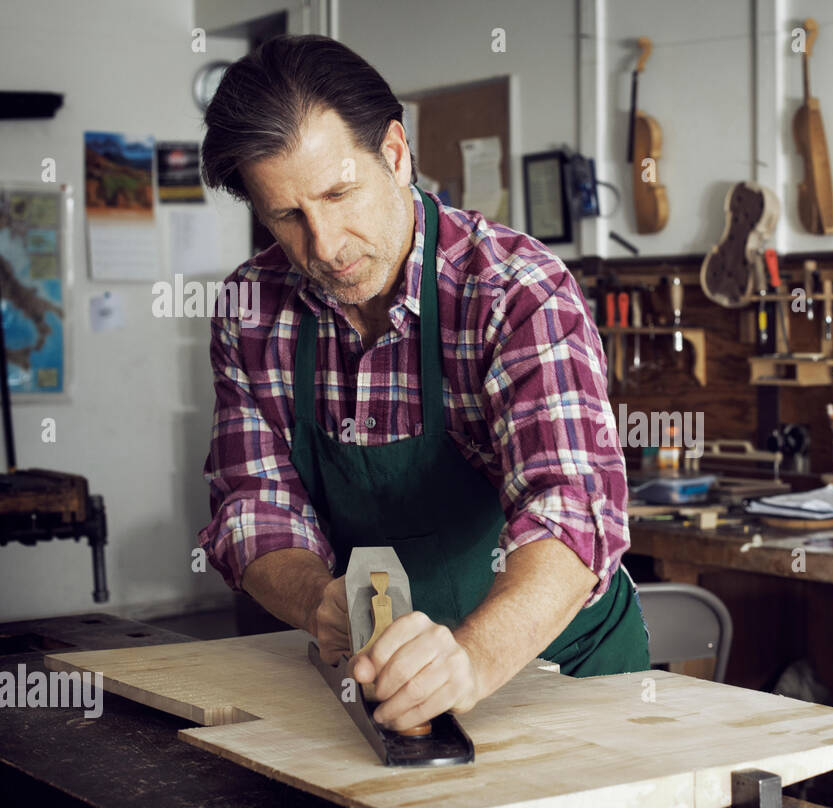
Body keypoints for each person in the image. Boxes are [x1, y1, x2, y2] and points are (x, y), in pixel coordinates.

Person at [196, 35, 649, 733]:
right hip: (381, 687)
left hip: (561, 674)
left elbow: (572, 505)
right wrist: (321, 602)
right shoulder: (251, 311)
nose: (325, 246)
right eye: (287, 215)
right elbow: (254, 506)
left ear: (397, 155)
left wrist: (470, 659)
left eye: (339, 193)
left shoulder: (516, 293)